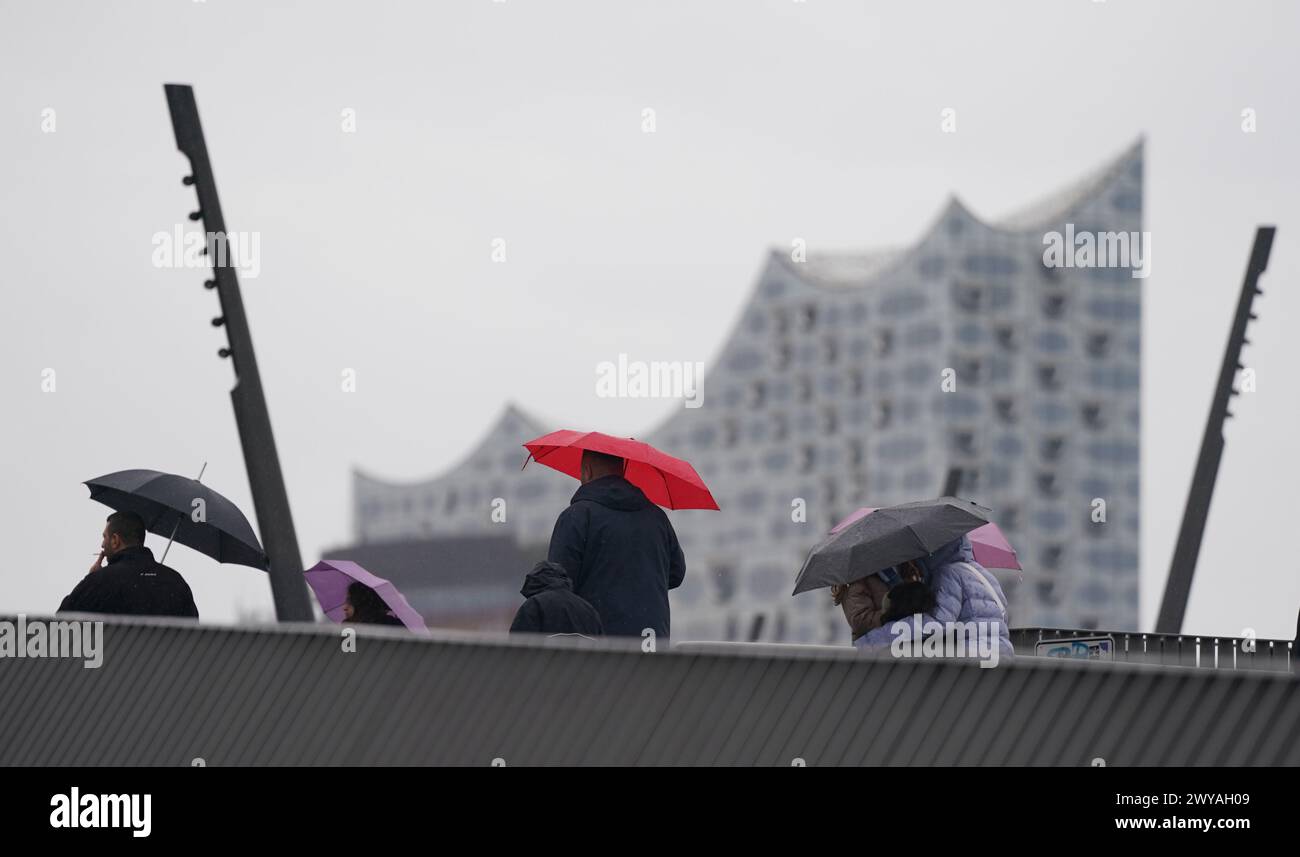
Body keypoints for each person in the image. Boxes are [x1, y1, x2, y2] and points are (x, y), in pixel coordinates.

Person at [546, 450, 686, 638]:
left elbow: (557, 583)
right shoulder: (657, 518)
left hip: (597, 646)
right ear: (621, 472)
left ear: (587, 471)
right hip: (651, 643)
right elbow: (676, 574)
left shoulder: (577, 516)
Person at [59, 511, 199, 619]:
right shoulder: (175, 582)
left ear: (115, 540)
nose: (102, 544)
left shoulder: (101, 581)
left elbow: (61, 622)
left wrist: (90, 578)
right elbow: (193, 635)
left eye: (104, 537)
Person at [830, 560, 924, 641]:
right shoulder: (857, 582)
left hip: (906, 639)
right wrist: (890, 612)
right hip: (878, 647)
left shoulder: (902, 567)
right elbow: (860, 621)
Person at [509, 561, 604, 636]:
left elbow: (516, 648)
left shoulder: (534, 605)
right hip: (585, 661)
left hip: (545, 660)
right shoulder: (589, 610)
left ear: (533, 584)